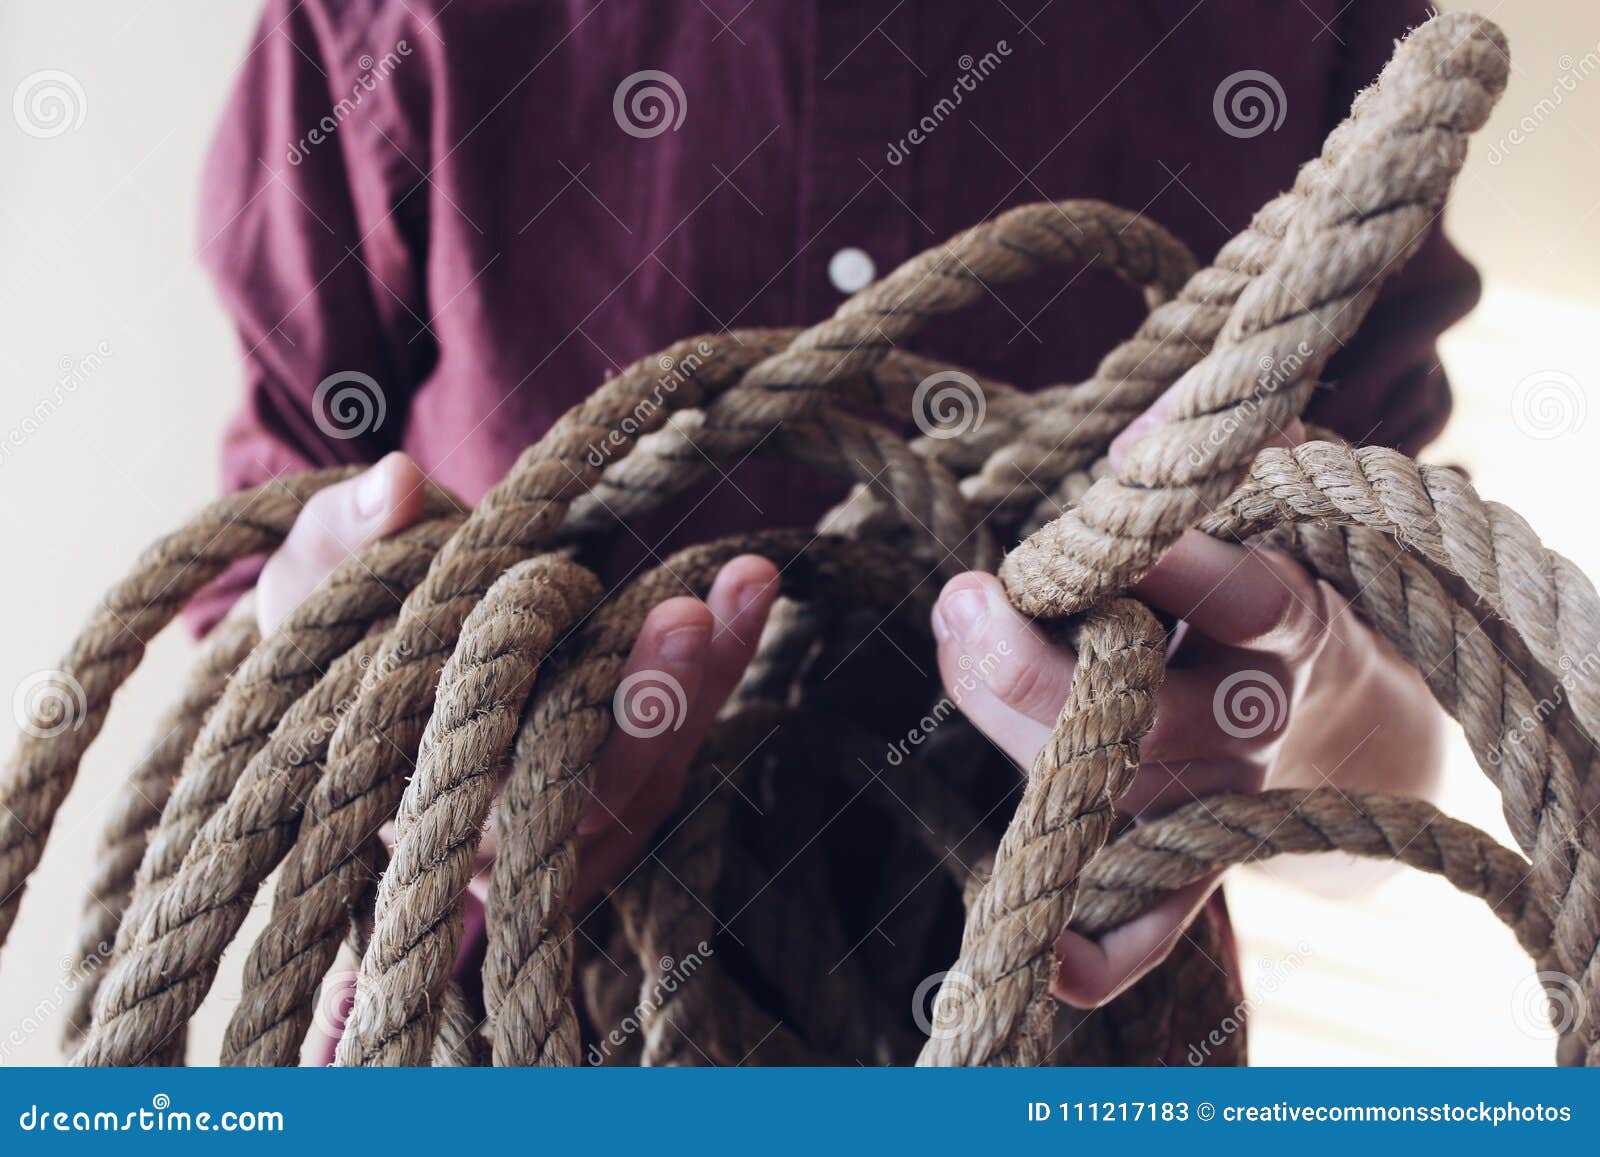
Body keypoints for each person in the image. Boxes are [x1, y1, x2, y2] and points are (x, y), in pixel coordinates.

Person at [192, 0, 1471, 1058]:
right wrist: (372, 714)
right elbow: (259, 605)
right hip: (486, 1047)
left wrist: (1284, 704)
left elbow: (1394, 747)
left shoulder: (1324, 35)